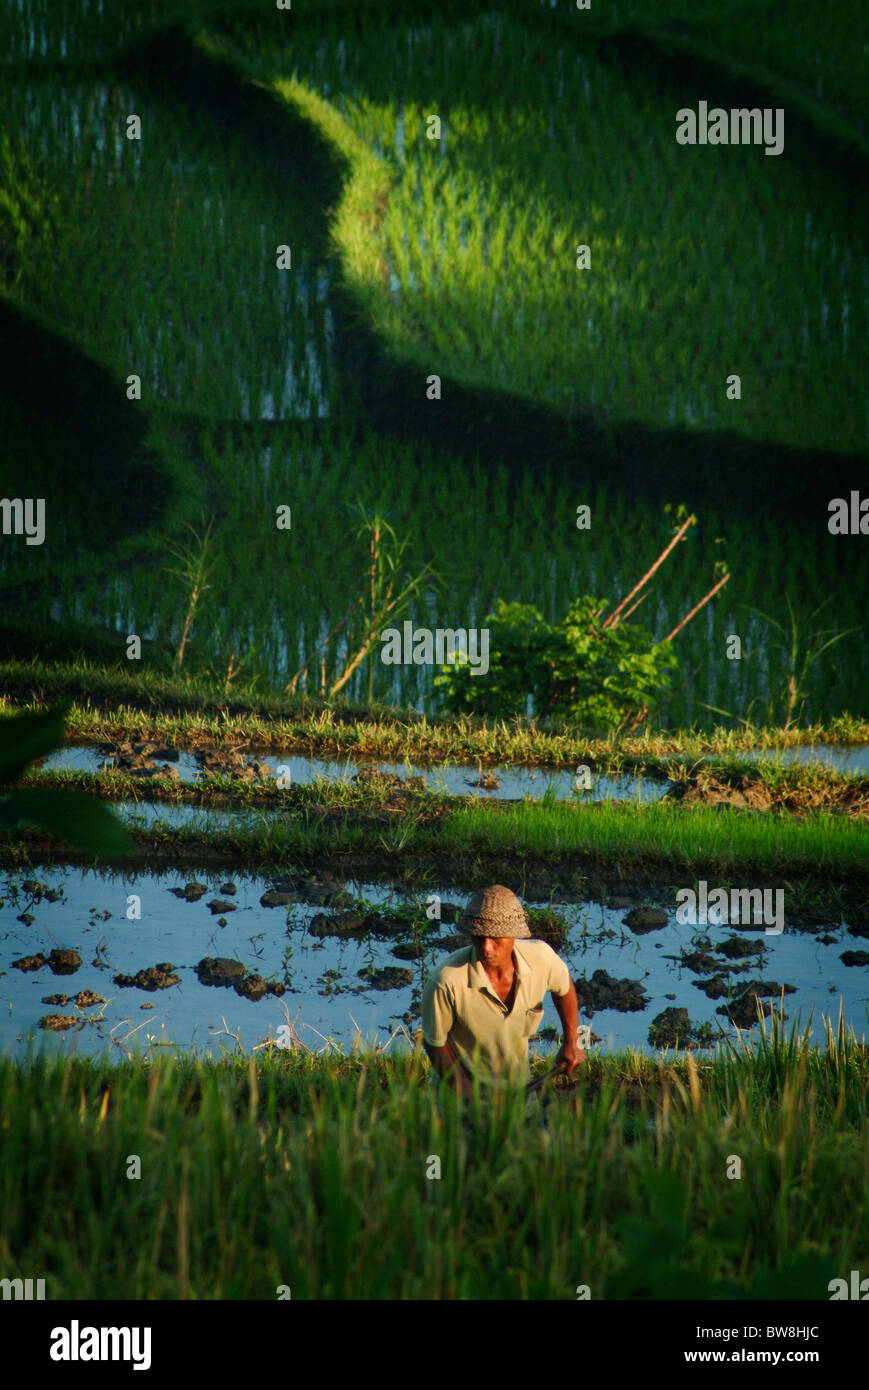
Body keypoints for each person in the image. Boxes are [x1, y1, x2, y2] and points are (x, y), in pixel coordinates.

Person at [421, 884, 583, 1098]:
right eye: (479, 937)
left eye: (495, 938)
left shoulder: (542, 958)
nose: (486, 947)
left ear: (513, 935)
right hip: (459, 1103)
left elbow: (565, 987)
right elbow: (435, 1044)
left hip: (519, 1095)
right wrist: (469, 1095)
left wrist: (572, 1040)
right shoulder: (445, 981)